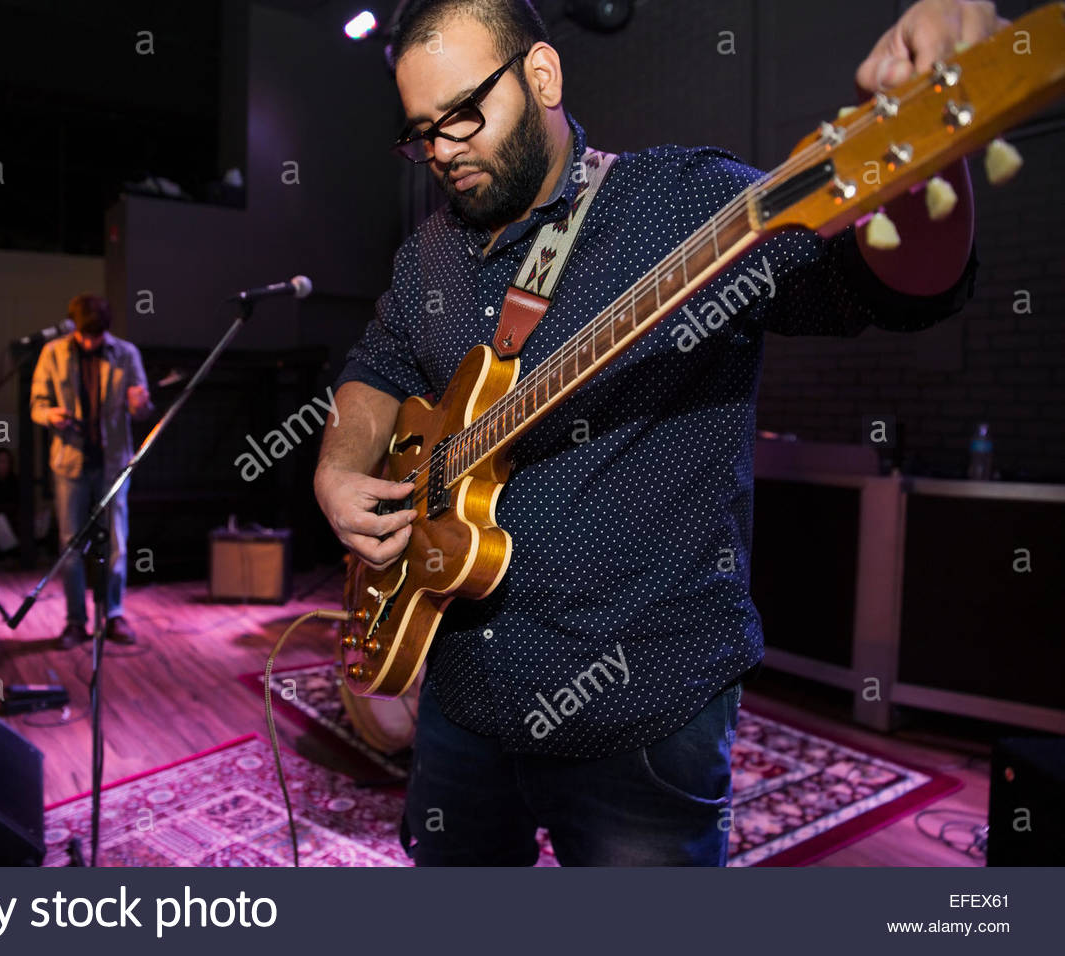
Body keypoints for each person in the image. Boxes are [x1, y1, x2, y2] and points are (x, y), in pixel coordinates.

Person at [315, 0, 994, 865]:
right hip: (462, 703)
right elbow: (375, 370)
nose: (444, 148)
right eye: (422, 133)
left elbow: (899, 288)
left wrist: (939, 159)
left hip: (641, 713)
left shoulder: (682, 203)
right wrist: (337, 468)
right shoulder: (428, 259)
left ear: (544, 75)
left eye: (462, 113)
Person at [31, 294, 152, 649]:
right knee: (70, 544)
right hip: (70, 463)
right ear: (74, 328)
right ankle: (75, 621)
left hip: (114, 462)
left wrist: (139, 404)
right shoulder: (53, 352)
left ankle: (113, 614)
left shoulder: (126, 354)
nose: (90, 342)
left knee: (116, 542)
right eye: (85, 335)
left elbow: (143, 408)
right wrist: (50, 415)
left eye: (96, 336)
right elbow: (37, 404)